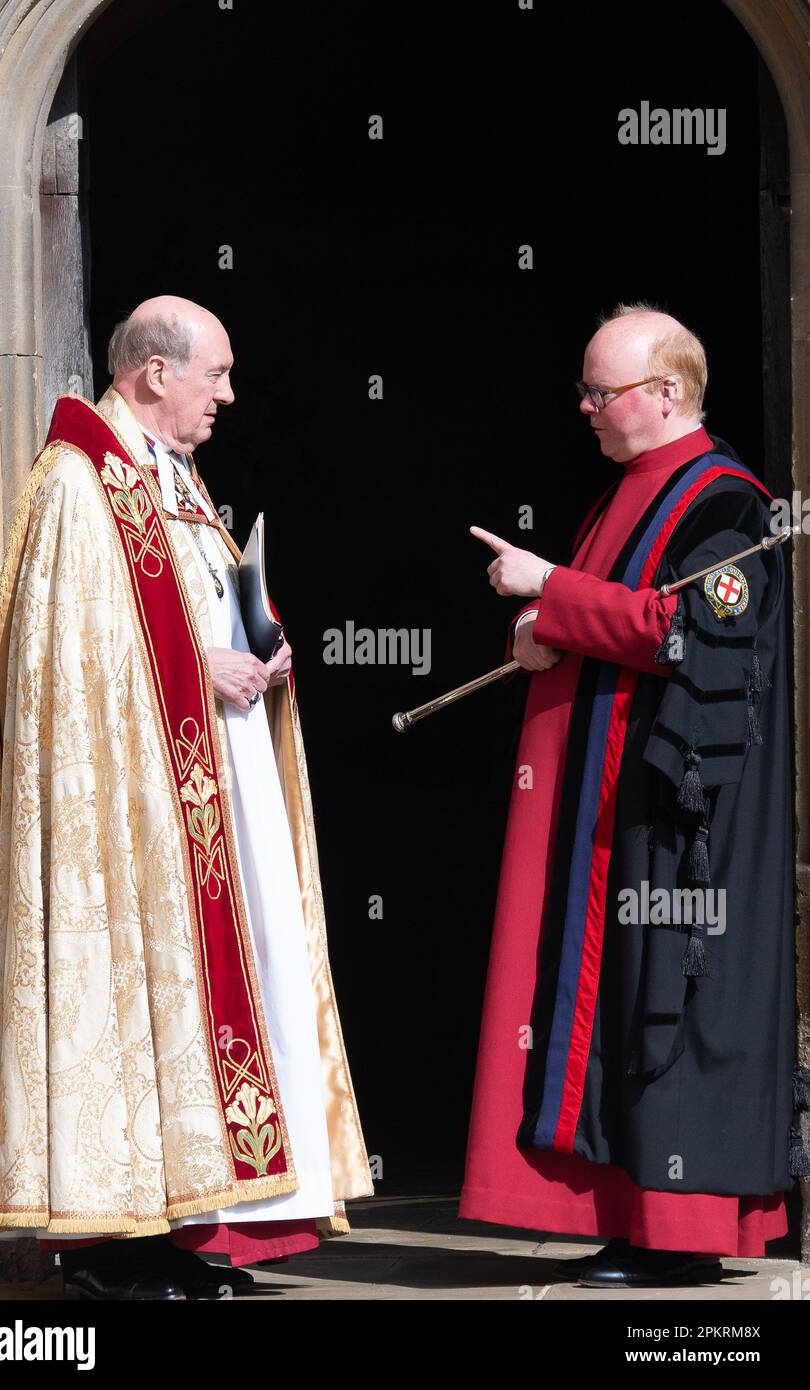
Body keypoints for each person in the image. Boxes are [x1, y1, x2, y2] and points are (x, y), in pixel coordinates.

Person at [0, 295, 372, 1299]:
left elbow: (197, 618)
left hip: (207, 806)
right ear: (153, 372)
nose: (228, 394)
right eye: (215, 373)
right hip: (130, 829)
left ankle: (197, 1233)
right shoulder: (78, 483)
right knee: (137, 1015)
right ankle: (121, 1247)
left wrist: (260, 649)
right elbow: (66, 671)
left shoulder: (176, 485)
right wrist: (205, 673)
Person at [461, 303, 808, 1289]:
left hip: (687, 815)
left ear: (663, 394)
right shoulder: (626, 491)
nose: (584, 407)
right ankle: (630, 1220)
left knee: (671, 1000)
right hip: (620, 806)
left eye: (599, 391)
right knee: (612, 1004)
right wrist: (539, 625)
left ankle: (681, 1235)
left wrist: (550, 588)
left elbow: (687, 634)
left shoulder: (724, 502)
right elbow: (604, 624)